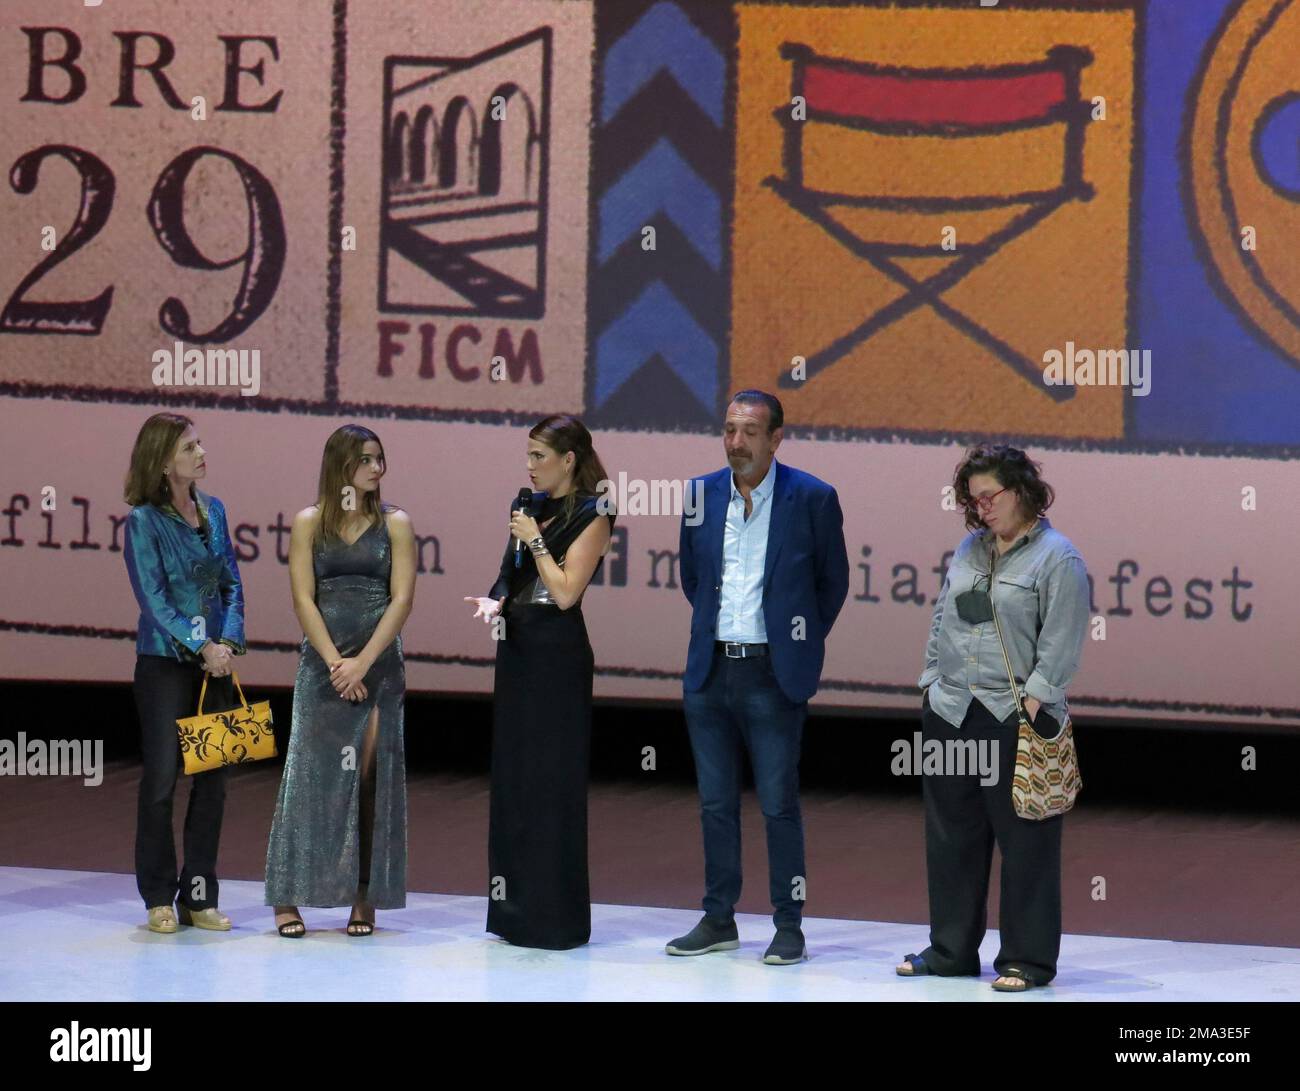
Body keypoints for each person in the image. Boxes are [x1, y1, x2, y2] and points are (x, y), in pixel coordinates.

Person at [668, 390, 849, 965]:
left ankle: (788, 924)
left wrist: (796, 642)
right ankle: (719, 917)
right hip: (711, 667)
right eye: (728, 430)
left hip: (773, 673)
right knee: (715, 804)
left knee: (778, 804)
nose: (736, 442)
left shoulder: (813, 498)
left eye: (749, 431)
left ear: (775, 438)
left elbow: (832, 584)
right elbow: (693, 578)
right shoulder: (699, 494)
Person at [898, 443, 1089, 991]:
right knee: (950, 837)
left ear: (1023, 491)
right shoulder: (970, 549)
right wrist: (931, 682)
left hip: (1014, 718)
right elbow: (943, 616)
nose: (982, 509)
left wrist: (1034, 700)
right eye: (973, 500)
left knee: (1026, 842)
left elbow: (1062, 642)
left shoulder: (1058, 556)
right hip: (952, 711)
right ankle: (951, 950)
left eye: (990, 497)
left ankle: (1026, 960)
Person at [465, 414, 615, 950]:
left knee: (553, 784)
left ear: (568, 459)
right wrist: (495, 597)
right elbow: (512, 573)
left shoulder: (595, 511)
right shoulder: (526, 505)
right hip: (518, 647)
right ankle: (515, 916)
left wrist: (535, 541)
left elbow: (567, 590)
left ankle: (556, 919)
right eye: (527, 456)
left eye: (538, 457)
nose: (528, 467)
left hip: (557, 656)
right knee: (516, 781)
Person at [265, 425, 416, 937]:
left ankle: (363, 897)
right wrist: (335, 663)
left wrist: (363, 664)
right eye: (368, 460)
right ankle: (288, 898)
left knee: (369, 782)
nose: (378, 469)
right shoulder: (308, 523)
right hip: (322, 668)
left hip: (378, 670)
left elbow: (401, 600)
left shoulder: (396, 524)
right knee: (308, 778)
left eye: (380, 459)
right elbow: (303, 598)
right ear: (342, 465)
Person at [123, 413, 245, 934]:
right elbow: (153, 600)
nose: (201, 453)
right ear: (163, 460)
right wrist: (202, 645)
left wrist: (229, 642)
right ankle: (157, 896)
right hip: (164, 667)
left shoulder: (213, 510)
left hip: (215, 665)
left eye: (200, 444)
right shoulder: (143, 521)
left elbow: (232, 585)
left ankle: (199, 895)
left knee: (213, 783)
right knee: (161, 781)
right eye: (190, 447)